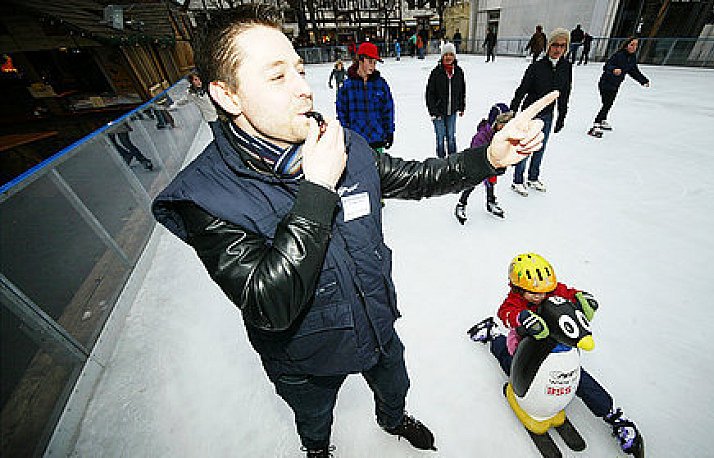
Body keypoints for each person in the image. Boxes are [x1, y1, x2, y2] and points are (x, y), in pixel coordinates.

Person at [150, 5, 558, 457]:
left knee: (395, 385)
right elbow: (270, 304)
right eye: (277, 76)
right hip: (304, 358)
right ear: (228, 96)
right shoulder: (205, 198)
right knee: (314, 418)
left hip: (375, 322)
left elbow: (419, 177)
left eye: (300, 71)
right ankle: (318, 450)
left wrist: (490, 158)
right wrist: (318, 188)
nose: (304, 89)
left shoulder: (338, 142)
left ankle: (393, 418)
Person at [467, 252, 644, 457]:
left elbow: (569, 294)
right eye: (533, 293)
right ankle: (492, 334)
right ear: (518, 289)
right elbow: (505, 312)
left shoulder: (552, 290)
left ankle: (615, 418)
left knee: (580, 380)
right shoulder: (514, 300)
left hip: (558, 352)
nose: (541, 296)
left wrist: (581, 298)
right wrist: (521, 317)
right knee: (513, 367)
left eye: (545, 291)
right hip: (526, 348)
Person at [509, 28, 572, 196]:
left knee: (540, 148)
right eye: (555, 45)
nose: (558, 49)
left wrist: (562, 116)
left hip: (548, 115)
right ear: (549, 46)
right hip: (530, 114)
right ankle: (517, 180)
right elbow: (522, 89)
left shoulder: (566, 67)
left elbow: (565, 93)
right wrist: (513, 109)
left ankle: (533, 177)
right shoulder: (536, 67)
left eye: (562, 46)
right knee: (525, 148)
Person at [454, 103, 513, 224]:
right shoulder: (481, 136)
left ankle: (490, 202)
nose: (504, 126)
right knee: (472, 184)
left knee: (491, 182)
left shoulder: (502, 135)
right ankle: (461, 204)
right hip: (477, 165)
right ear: (494, 123)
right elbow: (475, 153)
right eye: (502, 123)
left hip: (492, 165)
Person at [336, 42, 395, 153]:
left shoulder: (380, 84)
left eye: (375, 62)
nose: (373, 66)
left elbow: (388, 109)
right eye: (370, 62)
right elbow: (342, 113)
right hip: (356, 142)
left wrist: (389, 131)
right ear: (361, 60)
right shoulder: (347, 86)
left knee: (378, 170)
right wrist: (346, 135)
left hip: (377, 139)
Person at [591, 37, 650, 133]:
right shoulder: (619, 55)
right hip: (606, 83)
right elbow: (607, 66)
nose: (634, 47)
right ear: (627, 45)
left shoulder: (632, 58)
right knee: (607, 104)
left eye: (636, 45)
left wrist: (643, 80)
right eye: (632, 44)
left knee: (608, 104)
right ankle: (597, 123)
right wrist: (613, 69)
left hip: (616, 84)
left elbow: (634, 71)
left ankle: (602, 120)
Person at [425, 42, 465, 158]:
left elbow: (462, 90)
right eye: (446, 55)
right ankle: (441, 164)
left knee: (451, 137)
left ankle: (453, 162)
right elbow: (429, 94)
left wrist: (461, 106)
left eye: (451, 55)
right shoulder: (436, 73)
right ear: (442, 56)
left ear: (454, 56)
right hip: (438, 112)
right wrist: (433, 111)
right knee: (440, 138)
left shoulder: (458, 72)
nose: (448, 57)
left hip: (452, 111)